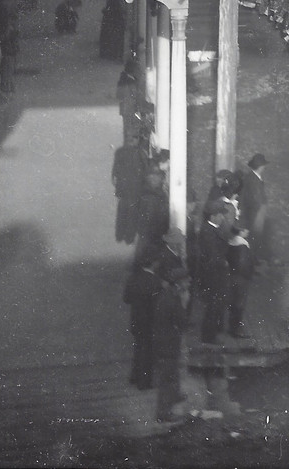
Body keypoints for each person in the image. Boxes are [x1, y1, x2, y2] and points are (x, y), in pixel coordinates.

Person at [152, 264, 190, 421]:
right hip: (167, 343)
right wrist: (184, 304)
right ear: (179, 283)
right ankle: (163, 413)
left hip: (164, 340)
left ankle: (174, 396)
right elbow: (182, 321)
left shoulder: (167, 294)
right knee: (167, 376)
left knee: (172, 372)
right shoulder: (173, 299)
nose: (190, 282)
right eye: (187, 280)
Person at [123, 250, 163, 389]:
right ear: (153, 264)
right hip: (150, 322)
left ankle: (135, 376)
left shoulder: (132, 278)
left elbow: (126, 299)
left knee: (138, 348)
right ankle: (144, 382)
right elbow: (158, 305)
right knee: (148, 352)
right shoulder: (155, 281)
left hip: (136, 319)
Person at [196, 199, 233, 344]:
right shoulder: (208, 232)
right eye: (220, 215)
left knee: (217, 304)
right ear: (213, 216)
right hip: (213, 274)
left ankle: (215, 332)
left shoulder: (212, 229)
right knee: (212, 305)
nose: (222, 217)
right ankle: (209, 337)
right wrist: (223, 261)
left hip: (216, 273)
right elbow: (213, 255)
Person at [113, 131, 146, 245]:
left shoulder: (139, 153)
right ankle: (123, 235)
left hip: (131, 189)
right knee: (126, 212)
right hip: (128, 189)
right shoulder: (123, 152)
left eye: (135, 138)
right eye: (130, 137)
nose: (132, 140)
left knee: (128, 212)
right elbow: (115, 171)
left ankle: (125, 236)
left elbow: (144, 172)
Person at [240, 154, 269, 261]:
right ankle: (251, 264)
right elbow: (254, 199)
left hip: (256, 212)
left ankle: (253, 261)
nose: (264, 167)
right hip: (255, 213)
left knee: (255, 237)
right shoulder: (252, 179)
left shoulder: (254, 177)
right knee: (254, 237)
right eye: (263, 165)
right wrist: (261, 210)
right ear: (260, 167)